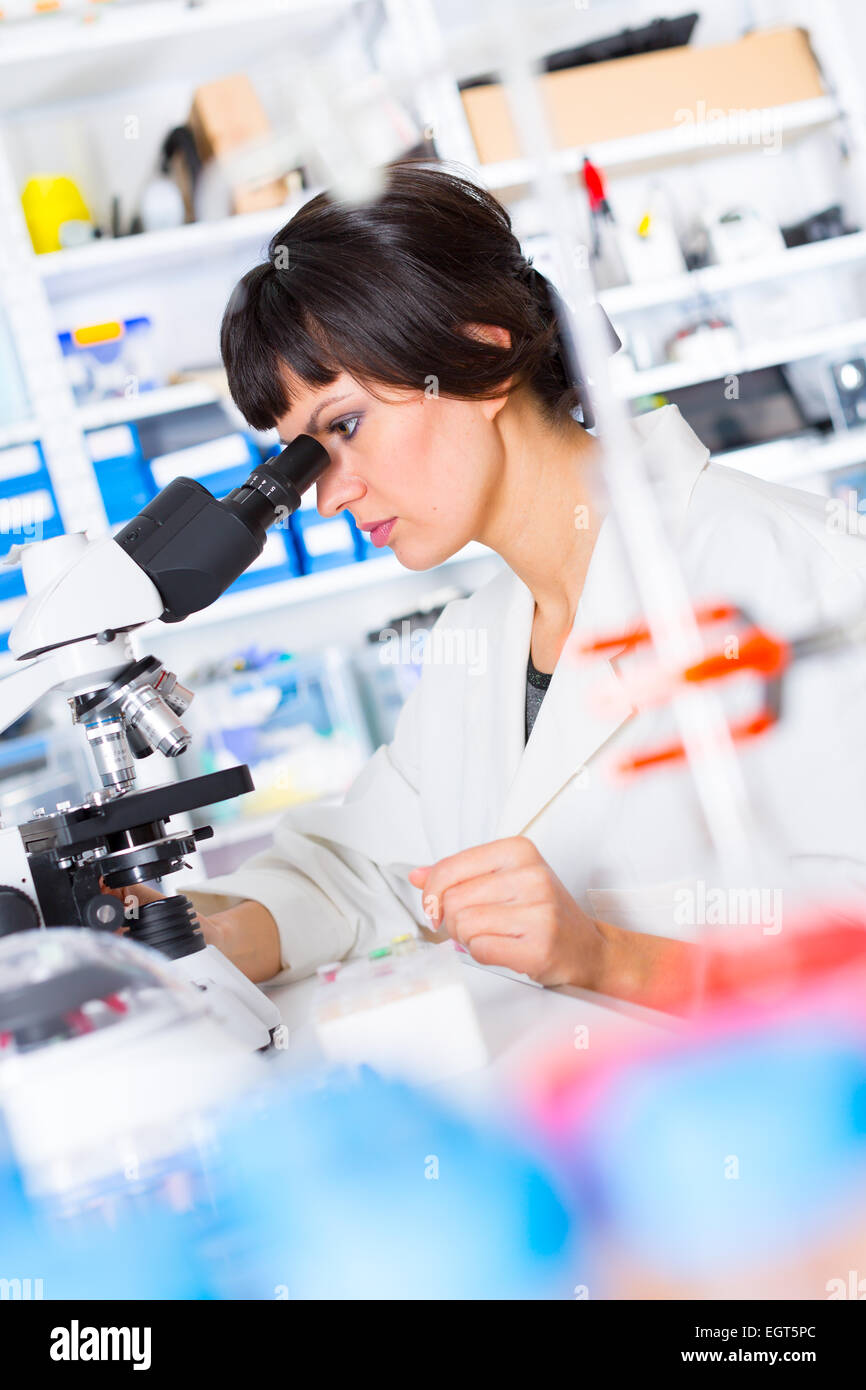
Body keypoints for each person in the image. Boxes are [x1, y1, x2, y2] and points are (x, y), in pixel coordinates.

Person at [105, 163, 866, 1010]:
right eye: (303, 455)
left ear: (482, 357)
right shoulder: (483, 641)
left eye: (345, 427)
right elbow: (366, 871)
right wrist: (179, 940)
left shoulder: (800, 576)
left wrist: (608, 957)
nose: (327, 495)